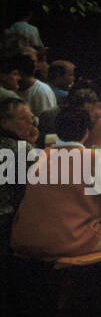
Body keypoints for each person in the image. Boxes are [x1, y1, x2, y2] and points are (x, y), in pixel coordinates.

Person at [10, 105, 101, 314]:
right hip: (67, 239)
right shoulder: (90, 158)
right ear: (87, 132)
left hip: (25, 238)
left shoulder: (41, 155)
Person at [0, 97, 37, 251]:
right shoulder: (21, 149)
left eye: (31, 118)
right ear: (4, 122)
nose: (30, 124)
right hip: (8, 221)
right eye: (23, 119)